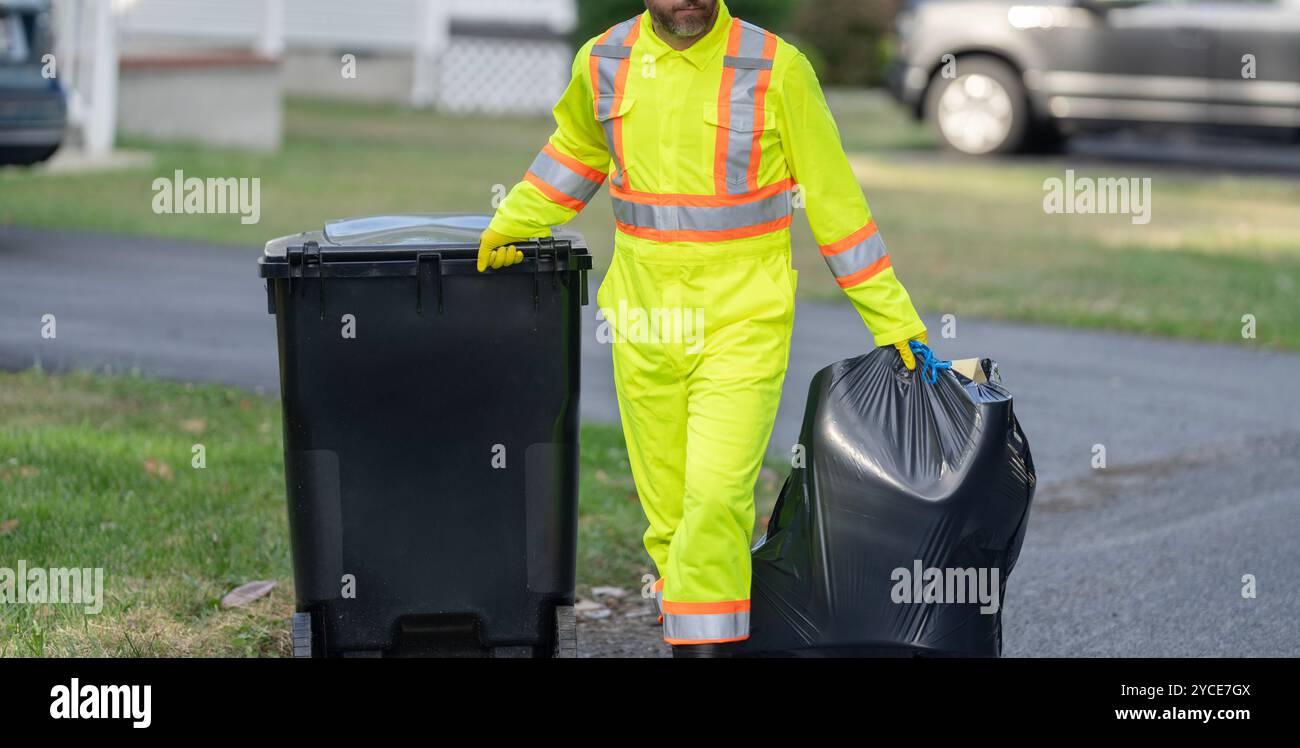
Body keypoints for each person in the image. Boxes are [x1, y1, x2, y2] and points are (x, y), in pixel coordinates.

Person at [479, 0, 928, 657]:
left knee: (716, 499)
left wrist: (892, 317)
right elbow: (577, 153)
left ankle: (705, 651)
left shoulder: (777, 67)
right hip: (642, 322)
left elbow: (835, 200)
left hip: (742, 324)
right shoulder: (604, 61)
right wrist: (513, 220)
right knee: (670, 519)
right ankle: (699, 630)